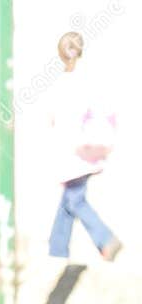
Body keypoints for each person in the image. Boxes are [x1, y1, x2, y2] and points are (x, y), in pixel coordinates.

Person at [46, 30, 122, 263]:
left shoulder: (65, 81)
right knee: (69, 199)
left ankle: (106, 239)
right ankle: (57, 249)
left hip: (74, 153)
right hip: (89, 150)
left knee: (75, 200)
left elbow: (63, 121)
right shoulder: (88, 77)